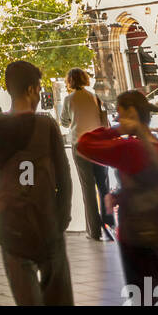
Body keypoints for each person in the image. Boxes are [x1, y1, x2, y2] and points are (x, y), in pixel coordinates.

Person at [0, 60, 73, 308]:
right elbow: (64, 176)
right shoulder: (47, 125)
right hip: (47, 224)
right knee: (59, 298)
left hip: (11, 225)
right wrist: (62, 219)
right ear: (32, 89)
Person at [77, 89, 158, 294]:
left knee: (144, 296)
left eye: (120, 114)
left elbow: (84, 144)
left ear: (130, 114)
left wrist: (116, 130)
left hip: (138, 237)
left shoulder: (129, 148)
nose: (117, 119)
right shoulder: (157, 144)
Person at [59, 67, 111, 241]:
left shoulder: (68, 99)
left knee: (87, 188)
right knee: (103, 186)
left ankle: (93, 231)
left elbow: (64, 122)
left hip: (80, 145)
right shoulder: (95, 97)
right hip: (98, 145)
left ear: (70, 81)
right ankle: (109, 225)